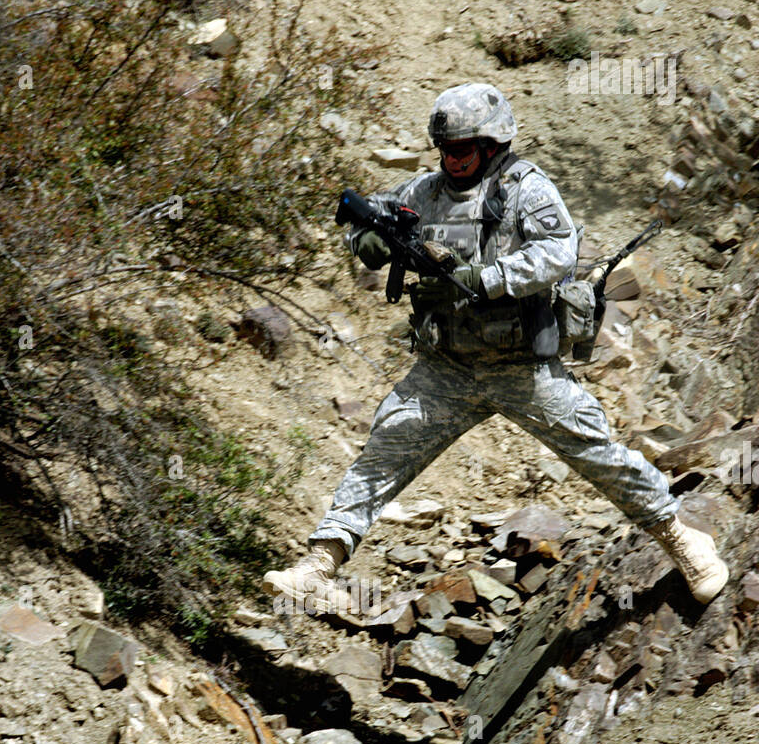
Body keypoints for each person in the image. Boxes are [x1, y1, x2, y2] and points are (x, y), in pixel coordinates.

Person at [263, 82, 728, 613]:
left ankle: (684, 541)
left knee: (598, 454)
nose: (453, 160)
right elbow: (376, 221)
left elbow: (559, 253)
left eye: (463, 149)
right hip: (447, 369)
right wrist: (366, 240)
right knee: (383, 453)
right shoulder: (424, 192)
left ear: (491, 144)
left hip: (522, 369)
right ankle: (320, 564)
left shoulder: (526, 189)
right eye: (446, 150)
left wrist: (485, 277)